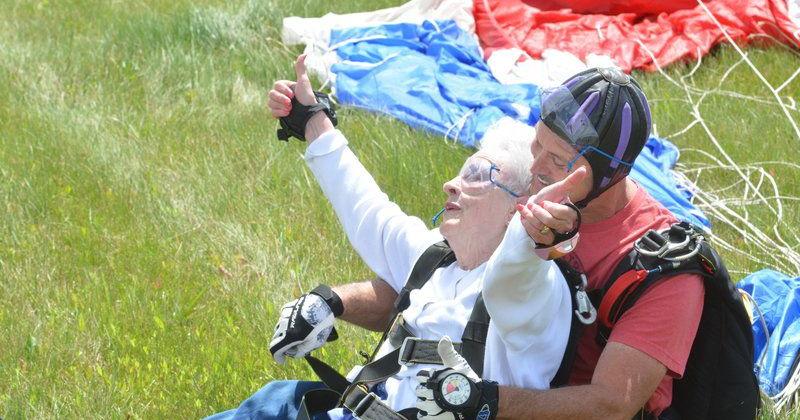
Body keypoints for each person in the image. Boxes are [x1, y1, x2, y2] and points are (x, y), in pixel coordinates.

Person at [207, 55, 585, 420]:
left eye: (474, 173)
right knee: (274, 401)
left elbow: (519, 266)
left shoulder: (531, 292)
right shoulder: (437, 257)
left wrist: (537, 225)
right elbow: (367, 211)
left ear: (517, 205)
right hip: (350, 407)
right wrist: (311, 118)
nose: (451, 184)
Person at [424, 67, 705, 418]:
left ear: (607, 175)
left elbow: (612, 405)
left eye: (556, 160)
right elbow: (436, 269)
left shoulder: (665, 270)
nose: (535, 167)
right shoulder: (537, 195)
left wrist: (491, 402)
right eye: (537, 142)